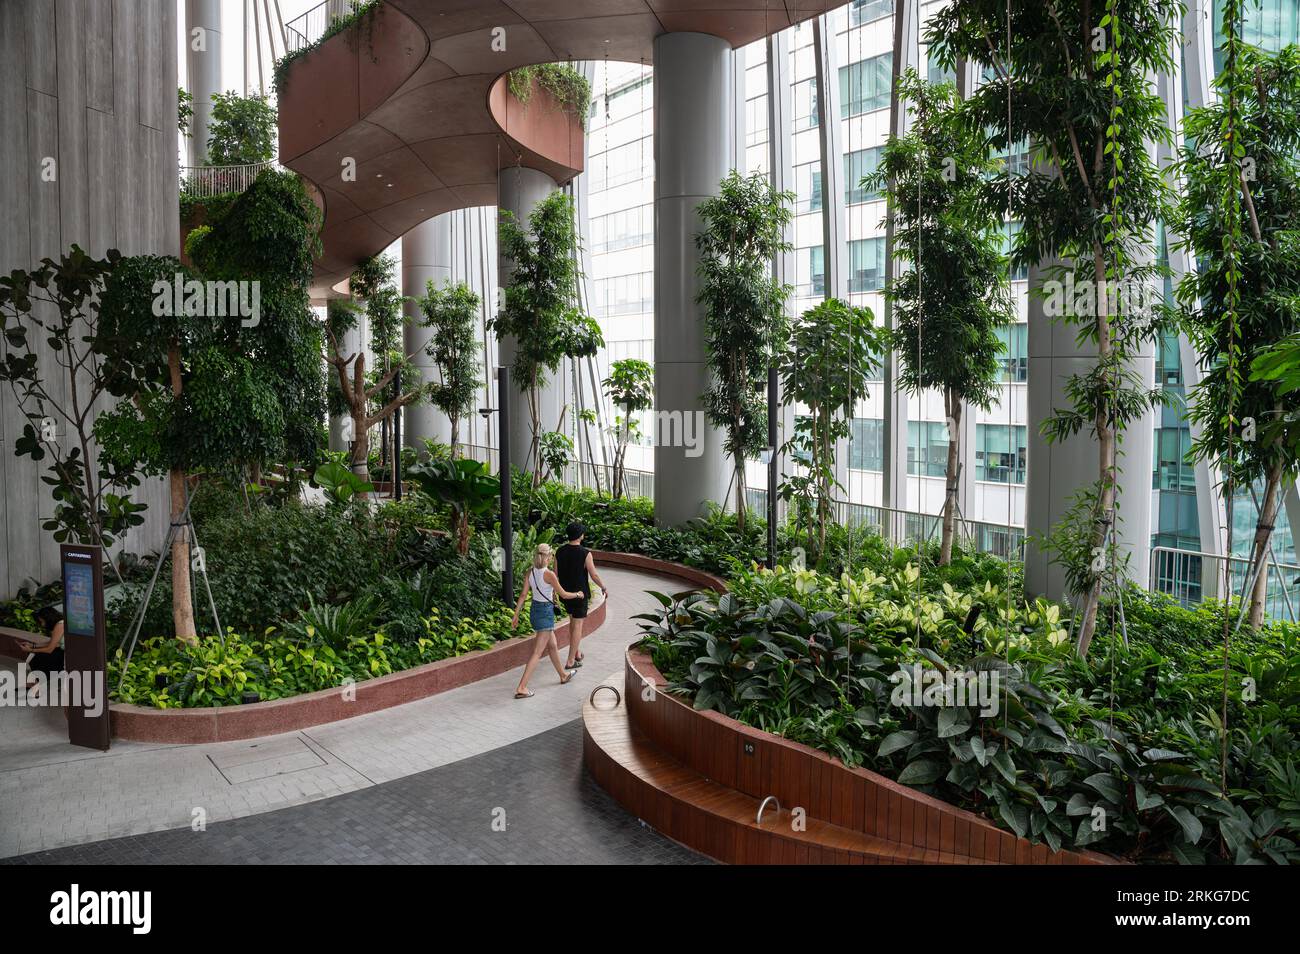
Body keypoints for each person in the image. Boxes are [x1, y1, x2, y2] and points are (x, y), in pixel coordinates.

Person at [511, 543, 582, 699]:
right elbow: (563, 594)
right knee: (537, 652)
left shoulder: (529, 572)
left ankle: (563, 675)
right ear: (547, 557)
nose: (551, 558)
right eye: (551, 556)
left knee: (553, 645)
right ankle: (522, 687)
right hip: (545, 613)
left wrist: (515, 615)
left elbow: (523, 595)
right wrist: (577, 594)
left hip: (535, 611)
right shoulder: (548, 574)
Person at [556, 521, 607, 670]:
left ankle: (576, 652)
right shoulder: (585, 553)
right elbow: (594, 574)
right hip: (579, 595)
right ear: (580, 536)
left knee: (573, 623)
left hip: (565, 595)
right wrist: (603, 587)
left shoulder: (560, 551)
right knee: (577, 626)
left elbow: (556, 574)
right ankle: (571, 660)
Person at [18, 606, 65, 698]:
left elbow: (50, 649)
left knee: (41, 658)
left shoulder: (60, 625)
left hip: (65, 654)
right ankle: (31, 684)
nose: (42, 624)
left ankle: (37, 688)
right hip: (61, 650)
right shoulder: (58, 624)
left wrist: (30, 649)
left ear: (49, 618)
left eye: (42, 621)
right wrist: (32, 645)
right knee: (35, 656)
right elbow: (52, 642)